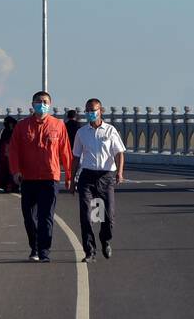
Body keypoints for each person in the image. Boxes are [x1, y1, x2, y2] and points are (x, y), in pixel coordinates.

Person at [7, 91, 73, 262]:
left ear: (50, 105)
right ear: (32, 104)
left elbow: (65, 151)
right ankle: (34, 247)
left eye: (44, 101)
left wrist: (69, 176)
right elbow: (13, 150)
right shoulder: (22, 126)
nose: (41, 104)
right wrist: (15, 171)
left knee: (46, 216)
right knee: (29, 217)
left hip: (50, 178)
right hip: (27, 179)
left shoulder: (58, 125)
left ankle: (43, 250)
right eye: (38, 101)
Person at [70, 98, 125, 262]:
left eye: (93, 110)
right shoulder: (81, 133)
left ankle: (105, 239)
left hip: (106, 177)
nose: (90, 113)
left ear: (101, 111)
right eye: (87, 110)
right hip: (87, 177)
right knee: (86, 216)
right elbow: (76, 157)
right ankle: (90, 251)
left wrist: (119, 172)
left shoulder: (110, 131)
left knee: (107, 216)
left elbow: (119, 153)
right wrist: (72, 180)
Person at [0, 117, 18, 192]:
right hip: (5, 154)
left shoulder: (16, 130)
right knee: (5, 170)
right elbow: (2, 142)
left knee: (13, 170)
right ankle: (7, 186)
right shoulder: (5, 131)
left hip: (13, 154)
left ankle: (14, 186)